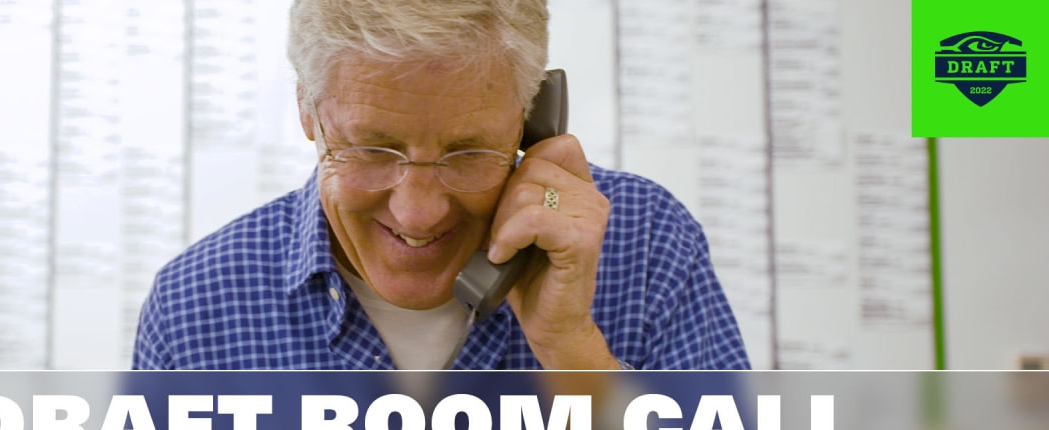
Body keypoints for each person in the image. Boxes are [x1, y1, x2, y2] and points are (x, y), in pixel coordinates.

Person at [132, 0, 749, 371]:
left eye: (469, 151)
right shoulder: (192, 308)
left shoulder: (648, 245)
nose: (419, 212)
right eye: (373, 149)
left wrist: (570, 348)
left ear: (533, 117)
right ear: (308, 114)